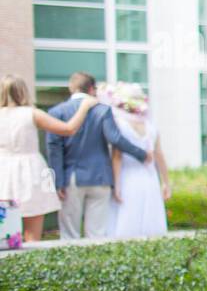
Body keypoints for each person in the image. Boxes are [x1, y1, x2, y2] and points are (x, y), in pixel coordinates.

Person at [46, 72, 152, 240]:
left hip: (71, 178)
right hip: (100, 177)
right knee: (97, 235)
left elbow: (54, 149)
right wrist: (142, 154)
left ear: (71, 88)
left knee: (69, 235)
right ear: (91, 89)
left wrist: (57, 182)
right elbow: (116, 138)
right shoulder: (102, 110)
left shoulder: (57, 112)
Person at [0, 74, 94, 242]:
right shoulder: (32, 114)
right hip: (30, 171)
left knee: (3, 232)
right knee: (32, 233)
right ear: (22, 92)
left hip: (3, 172)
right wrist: (84, 107)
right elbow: (68, 129)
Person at [102, 83, 169, 238]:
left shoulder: (119, 124)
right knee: (150, 219)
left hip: (127, 176)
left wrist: (116, 185)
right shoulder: (151, 126)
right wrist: (165, 182)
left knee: (126, 219)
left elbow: (117, 157)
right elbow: (160, 155)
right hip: (150, 177)